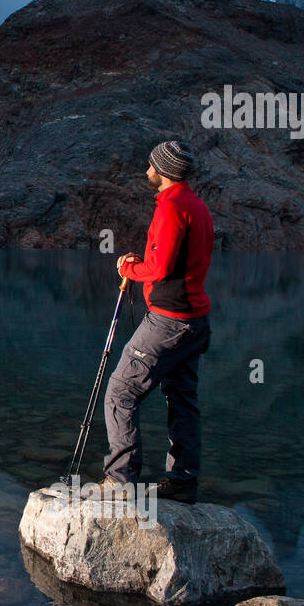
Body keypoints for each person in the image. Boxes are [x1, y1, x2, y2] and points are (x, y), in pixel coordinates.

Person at [101, 140, 214, 503]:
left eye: (150, 165)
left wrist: (129, 268)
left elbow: (160, 269)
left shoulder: (171, 208)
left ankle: (120, 481)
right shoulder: (197, 206)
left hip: (168, 320)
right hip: (195, 322)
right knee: (183, 400)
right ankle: (182, 482)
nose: (146, 170)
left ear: (162, 171)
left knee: (121, 391)